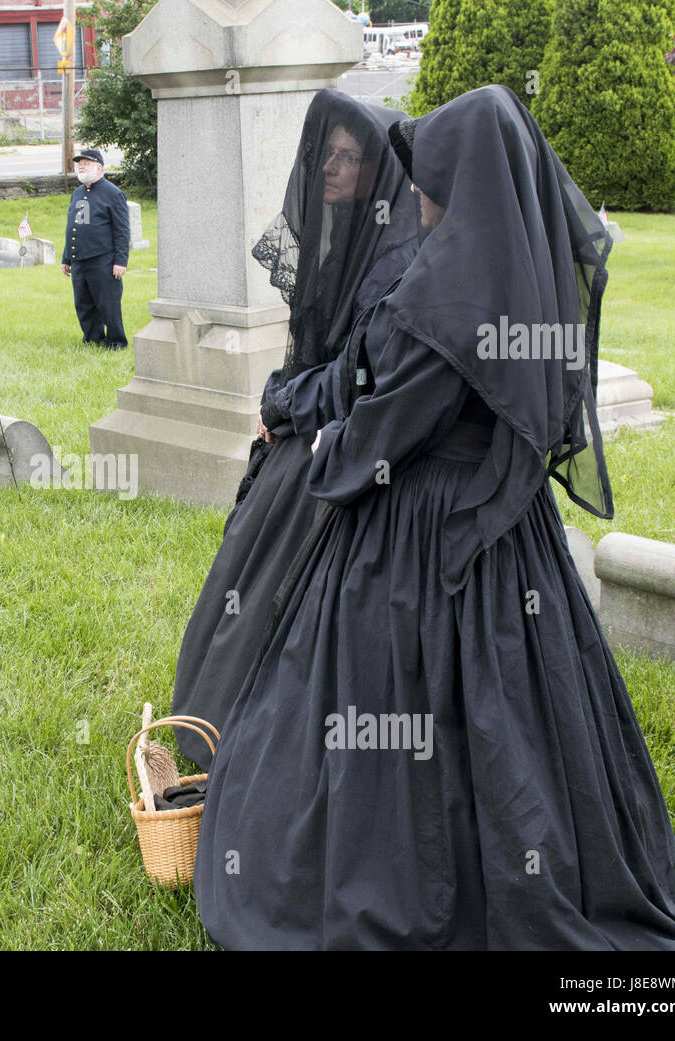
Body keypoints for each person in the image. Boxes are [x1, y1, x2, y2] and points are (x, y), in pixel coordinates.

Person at [193, 85, 675, 950]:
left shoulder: (437, 295)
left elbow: (382, 435)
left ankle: (407, 881)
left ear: (458, 177)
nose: (416, 194)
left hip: (414, 533)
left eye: (426, 176)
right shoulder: (527, 270)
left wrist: (319, 450)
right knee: (520, 716)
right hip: (510, 537)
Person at [172, 91, 418, 769]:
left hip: (346, 449)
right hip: (305, 431)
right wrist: (280, 402)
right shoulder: (333, 233)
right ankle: (219, 720)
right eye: (327, 154)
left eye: (350, 157)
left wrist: (282, 406)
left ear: (377, 174)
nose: (334, 168)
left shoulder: (397, 261)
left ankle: (278, 752)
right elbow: (313, 352)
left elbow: (358, 378)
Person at [63, 148, 130, 350]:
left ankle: (116, 341)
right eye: (79, 164)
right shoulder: (77, 193)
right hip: (79, 258)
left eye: (86, 163)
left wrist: (120, 261)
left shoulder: (113, 193)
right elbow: (72, 227)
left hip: (103, 258)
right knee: (83, 303)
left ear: (99, 167)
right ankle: (93, 338)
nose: (81, 166)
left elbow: (122, 230)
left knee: (108, 303)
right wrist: (66, 257)